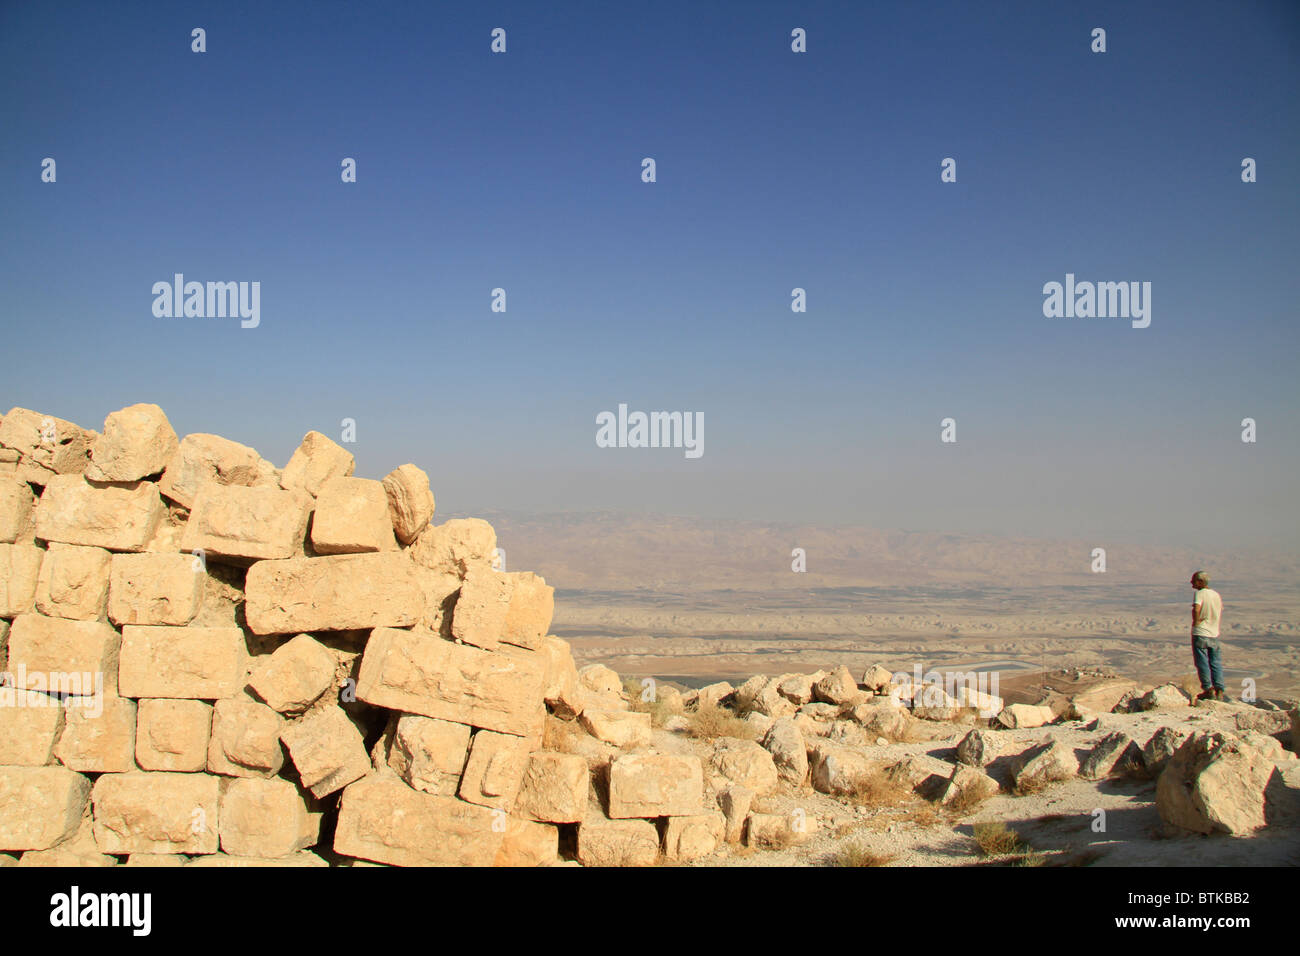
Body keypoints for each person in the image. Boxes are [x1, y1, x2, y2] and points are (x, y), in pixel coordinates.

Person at [1189, 570, 1226, 701]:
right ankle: (1219, 690)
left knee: (1202, 662)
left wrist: (1196, 621)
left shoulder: (1199, 594)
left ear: (1200, 582)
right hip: (1214, 634)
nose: (1191, 583)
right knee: (1215, 662)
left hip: (1201, 633)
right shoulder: (1216, 595)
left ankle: (1208, 689)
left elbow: (1196, 608)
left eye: (1193, 580)